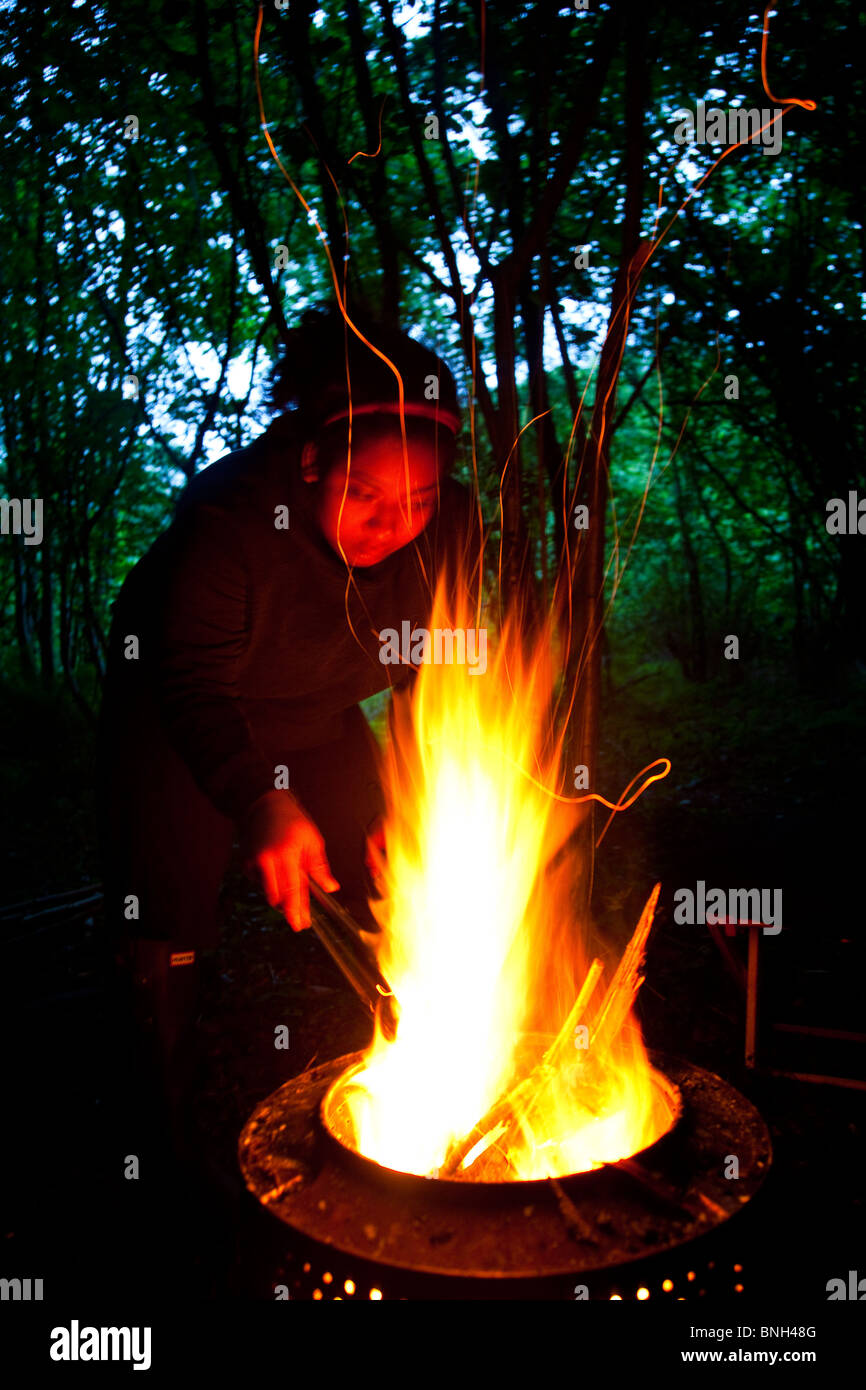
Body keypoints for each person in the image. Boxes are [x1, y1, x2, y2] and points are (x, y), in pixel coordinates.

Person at [96, 303, 481, 1167]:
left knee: (389, 870)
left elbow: (438, 678)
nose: (392, 526)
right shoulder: (231, 521)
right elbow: (191, 680)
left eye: (418, 501)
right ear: (312, 461)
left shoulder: (453, 528)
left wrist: (413, 796)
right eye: (365, 496)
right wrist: (261, 799)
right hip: (177, 710)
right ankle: (153, 1135)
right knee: (165, 914)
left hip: (317, 710)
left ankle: (415, 1091)